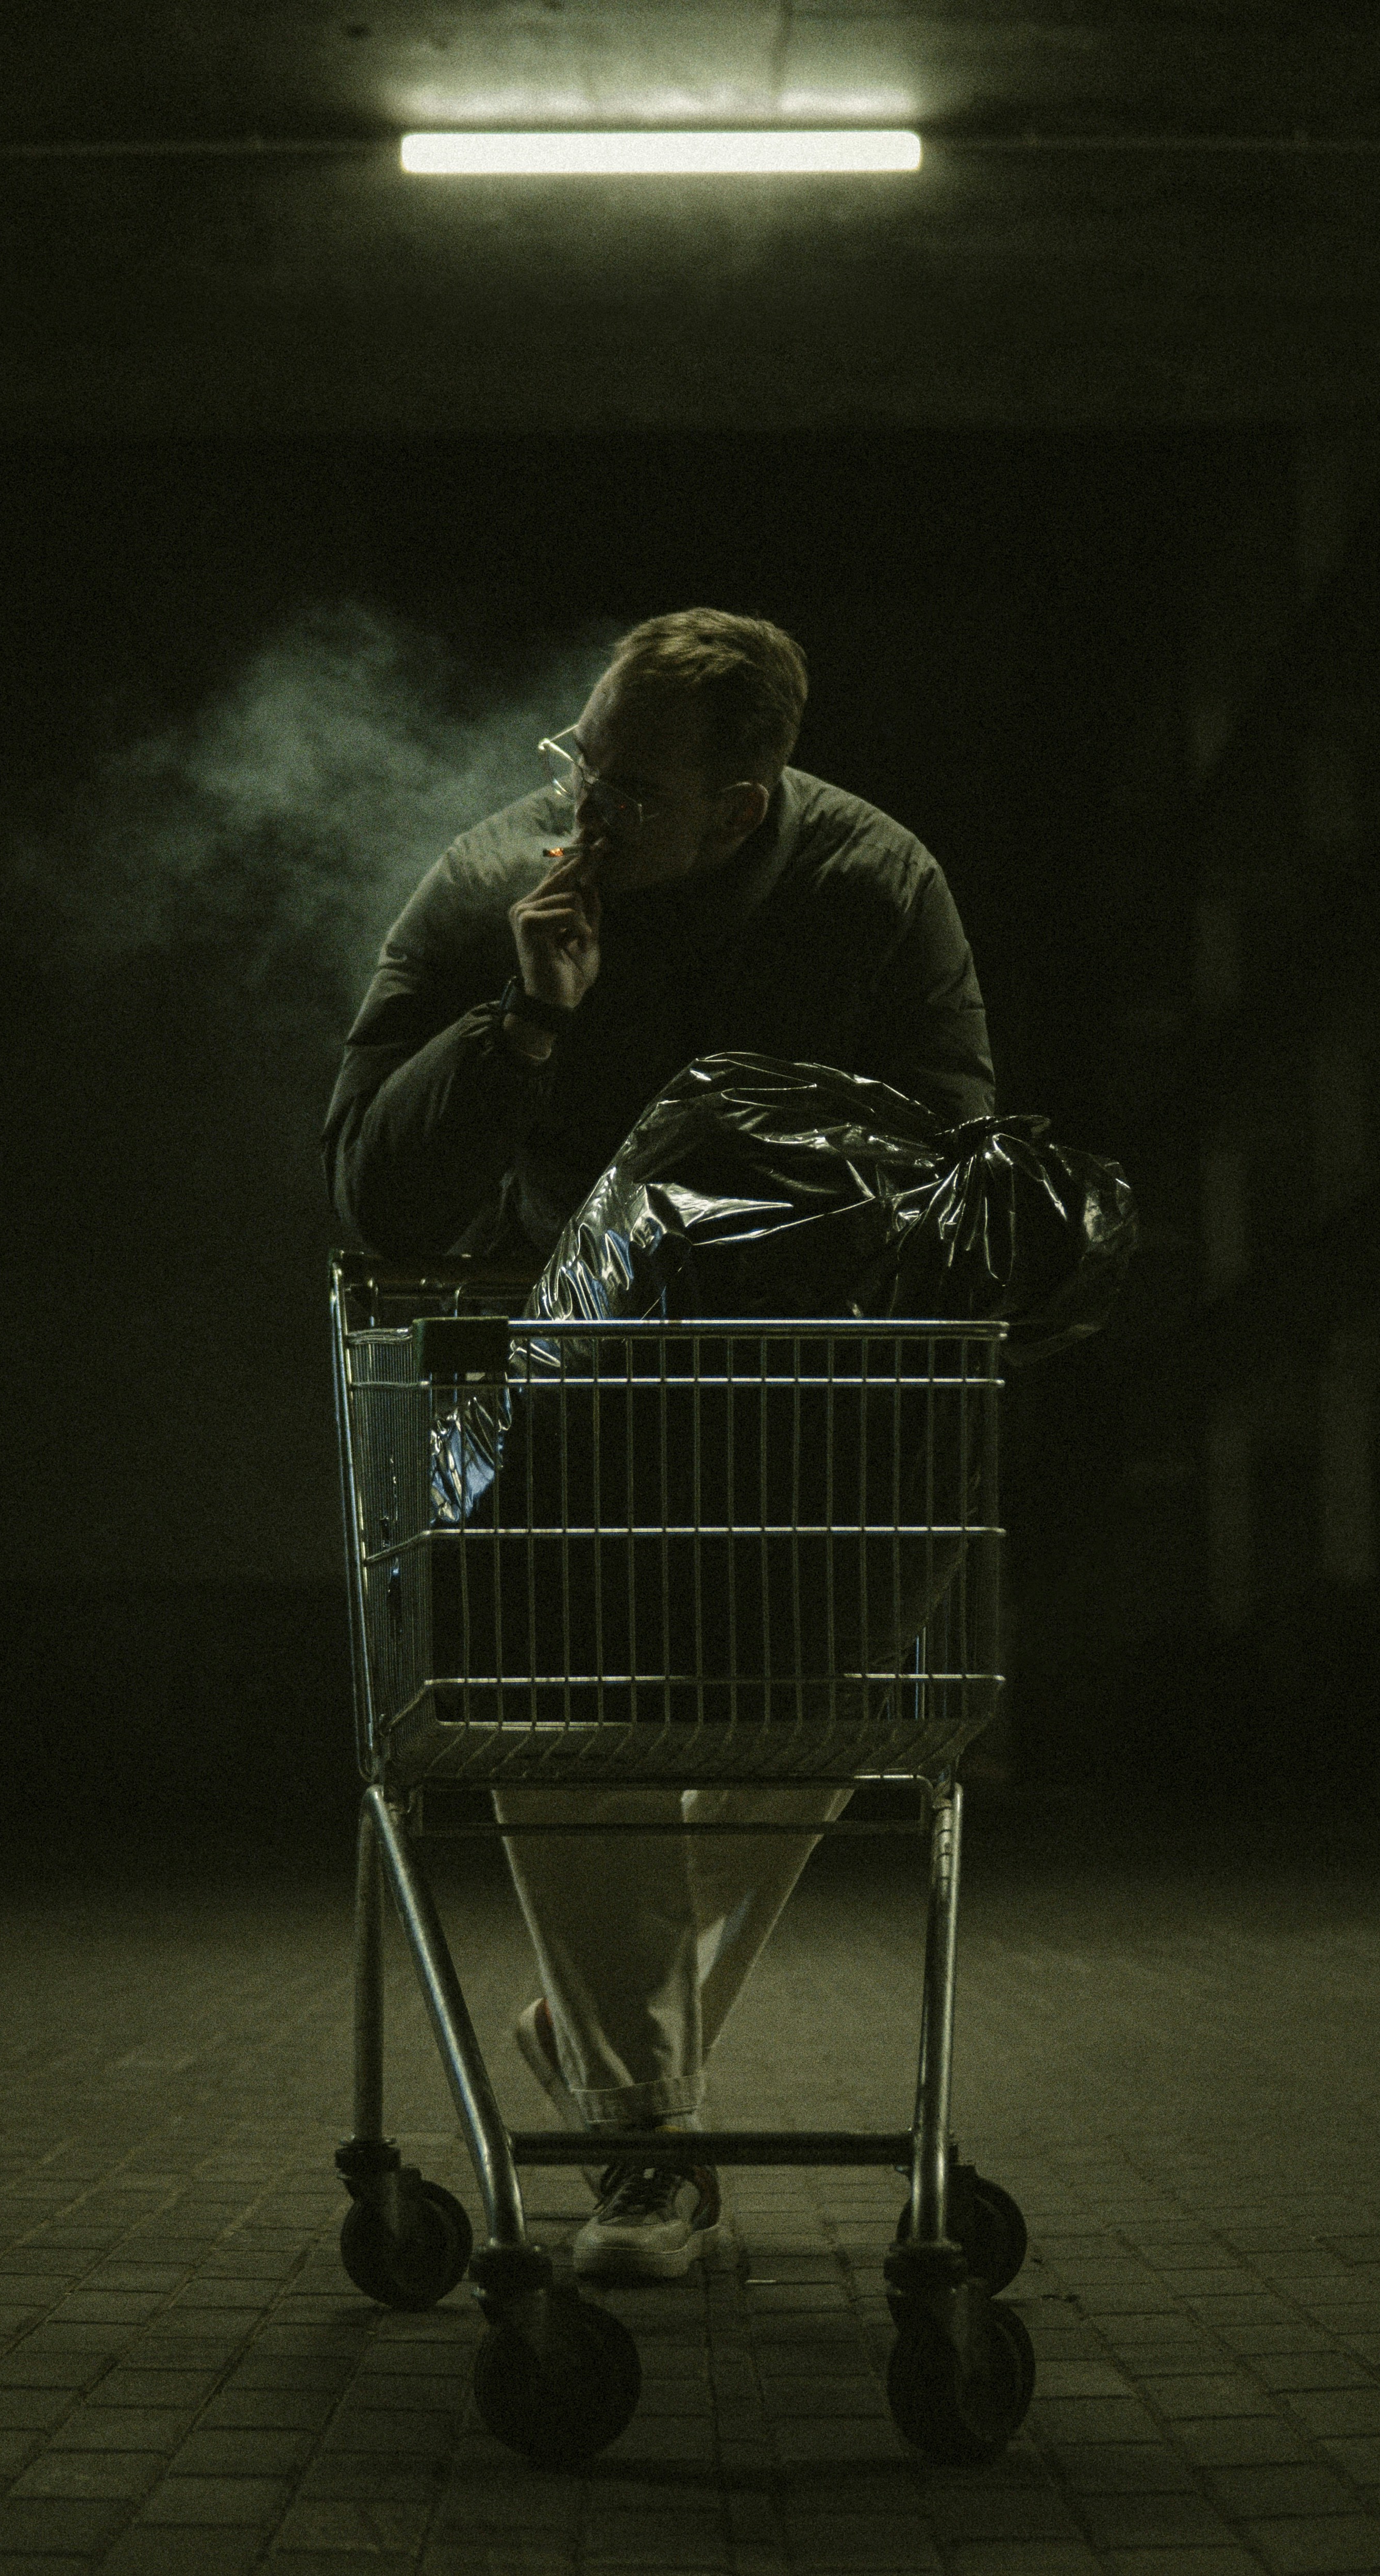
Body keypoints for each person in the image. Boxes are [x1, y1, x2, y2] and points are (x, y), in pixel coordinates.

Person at [324, 609, 995, 2281]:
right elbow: (370, 1185)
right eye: (578, 763)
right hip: (560, 1423)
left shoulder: (873, 887)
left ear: (742, 806)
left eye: (629, 791)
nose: (584, 811)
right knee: (568, 1708)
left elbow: (954, 1146)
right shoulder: (498, 889)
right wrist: (524, 1025)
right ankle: (643, 2156)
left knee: (835, 1704)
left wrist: (757, 1217)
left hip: (792, 1417)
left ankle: (622, 2046)